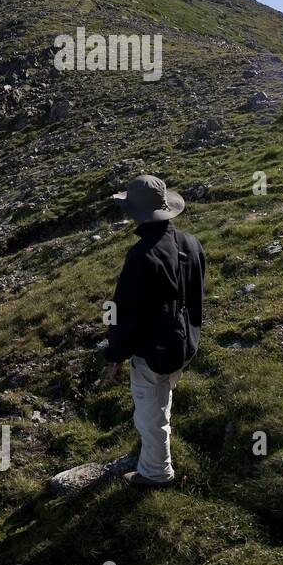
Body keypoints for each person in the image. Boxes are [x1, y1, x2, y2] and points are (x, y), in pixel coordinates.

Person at [104, 173, 203, 488]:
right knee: (162, 396)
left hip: (154, 351)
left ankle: (155, 473)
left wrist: (115, 356)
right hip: (185, 342)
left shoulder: (141, 256)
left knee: (149, 414)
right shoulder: (191, 243)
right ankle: (153, 448)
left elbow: (125, 314)